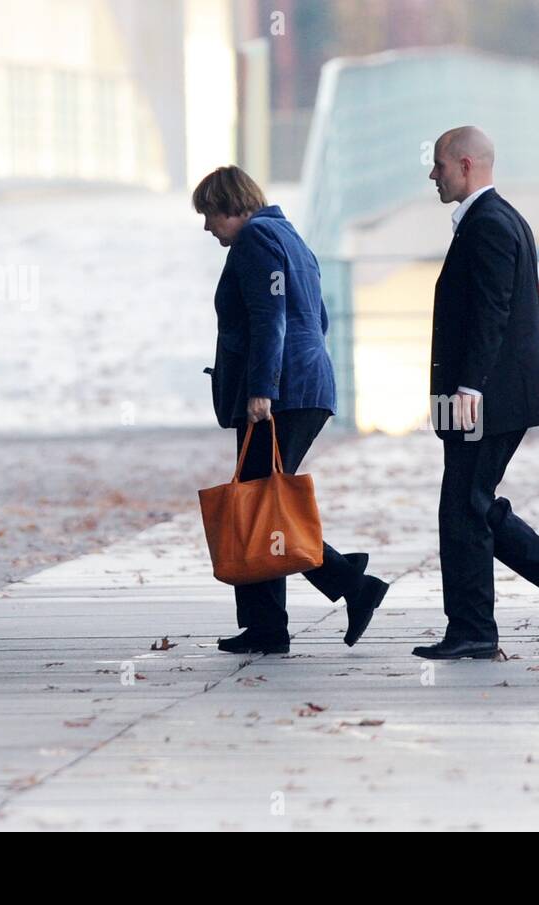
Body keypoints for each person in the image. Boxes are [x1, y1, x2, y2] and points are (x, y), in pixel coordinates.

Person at [412, 126, 539, 661]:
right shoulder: (498, 217)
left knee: (462, 506)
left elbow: (491, 314)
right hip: (490, 394)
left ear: (466, 165)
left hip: (486, 397)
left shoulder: (489, 223)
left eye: (440, 166)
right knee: (470, 503)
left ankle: (481, 627)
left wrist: (469, 386)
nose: (433, 175)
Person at [194, 166, 388, 654]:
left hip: (281, 396)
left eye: (210, 215)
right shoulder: (290, 237)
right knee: (262, 501)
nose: (207, 227)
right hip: (306, 387)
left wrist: (262, 388)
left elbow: (269, 316)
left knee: (263, 507)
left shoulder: (256, 240)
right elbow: (317, 317)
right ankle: (269, 626)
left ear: (233, 207)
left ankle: (352, 585)